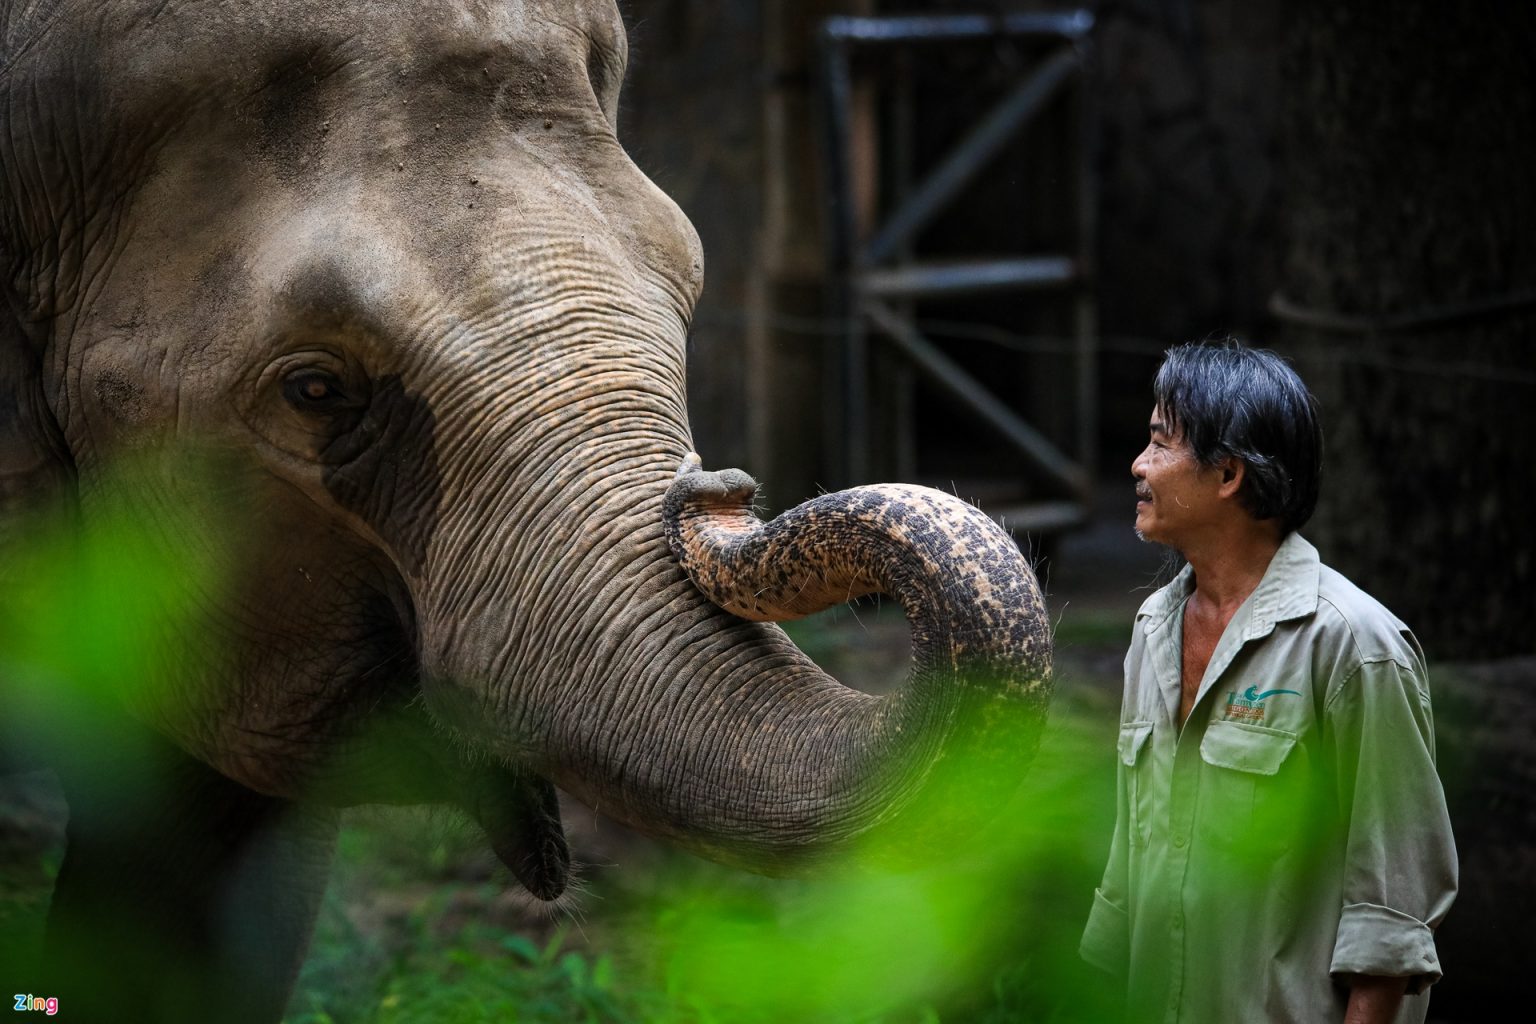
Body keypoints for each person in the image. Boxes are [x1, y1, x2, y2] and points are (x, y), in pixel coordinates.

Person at [1079, 340, 1457, 1023]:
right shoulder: (1153, 627)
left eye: (1160, 443)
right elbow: (1127, 869)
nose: (1138, 465)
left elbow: (1391, 915)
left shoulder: (1355, 645)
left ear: (1228, 474)